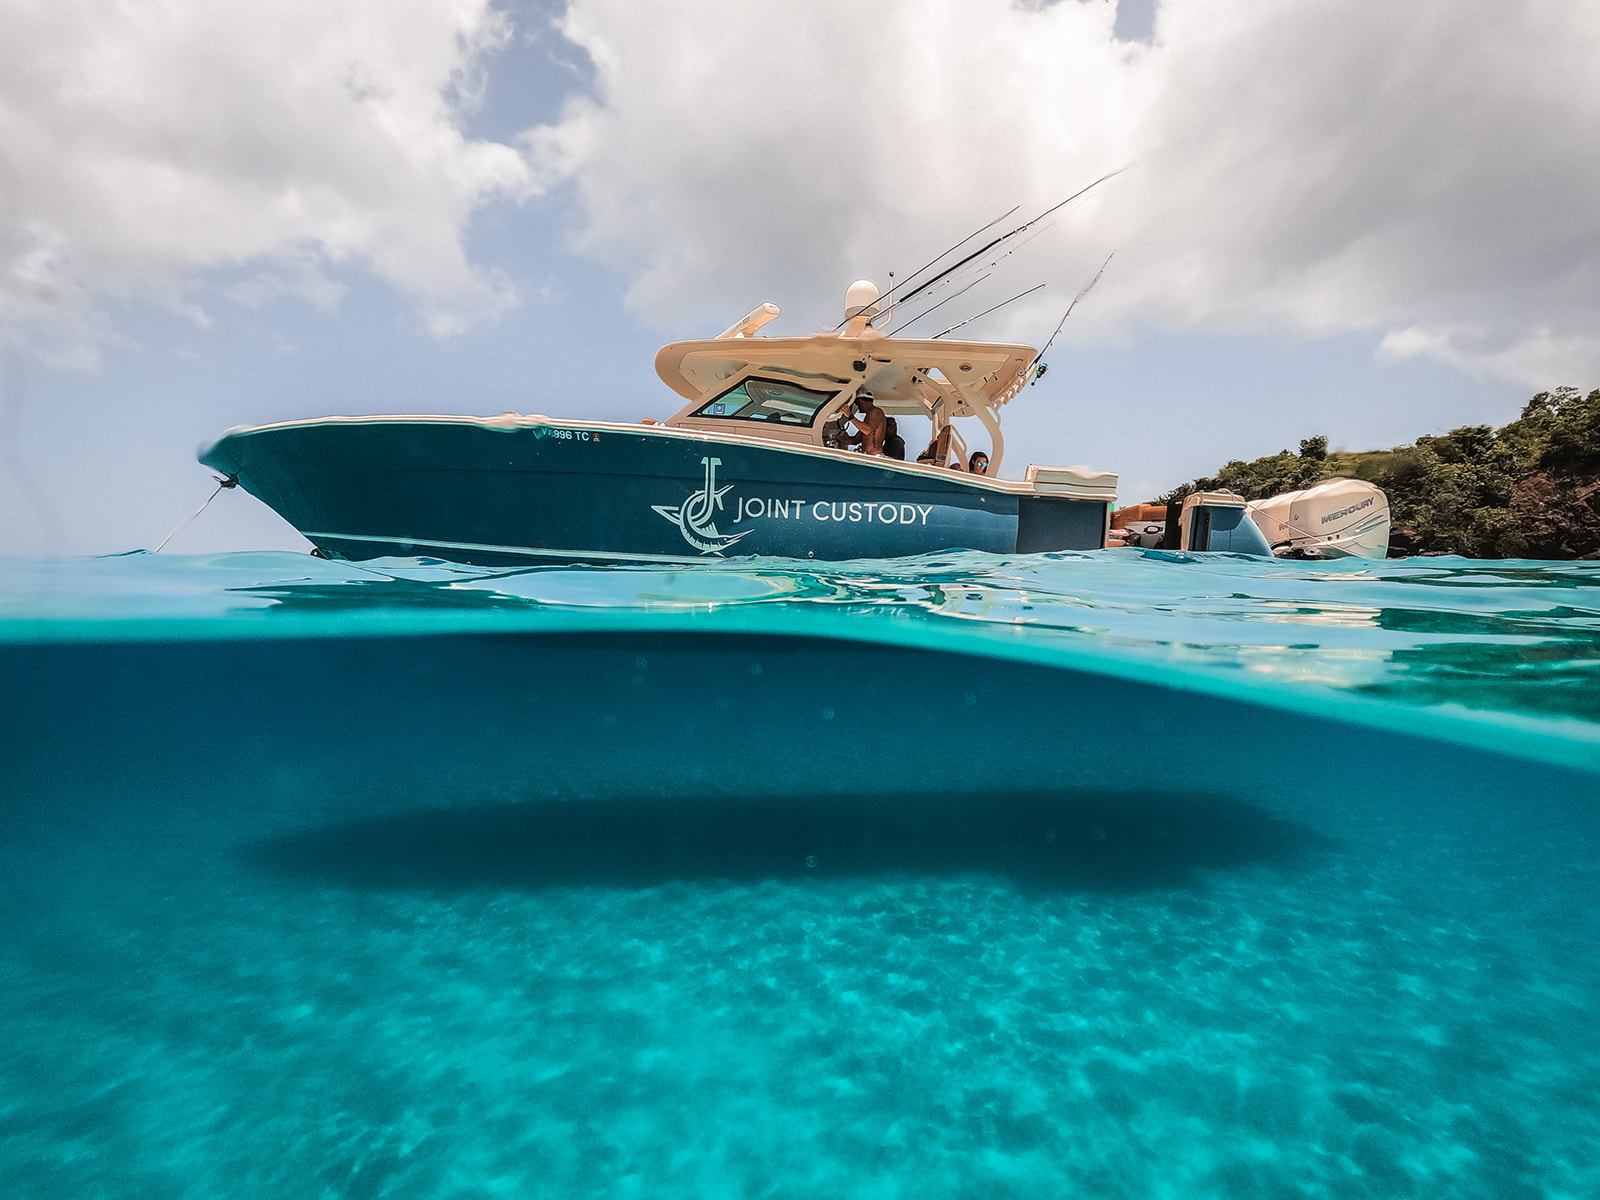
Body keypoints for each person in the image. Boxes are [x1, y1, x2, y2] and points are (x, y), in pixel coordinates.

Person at [842, 390, 887, 455]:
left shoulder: (876, 411)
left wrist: (850, 416)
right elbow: (856, 440)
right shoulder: (868, 417)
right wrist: (839, 438)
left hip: (874, 455)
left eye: (857, 403)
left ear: (860, 401)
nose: (857, 406)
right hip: (867, 455)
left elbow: (867, 430)